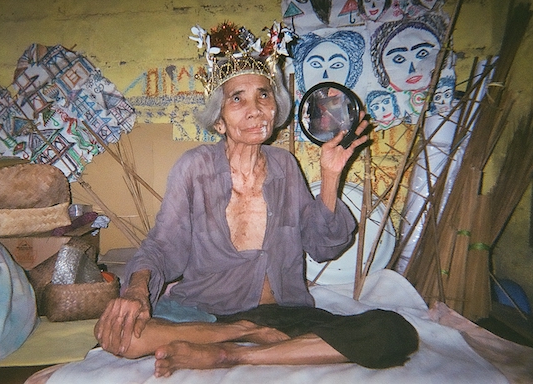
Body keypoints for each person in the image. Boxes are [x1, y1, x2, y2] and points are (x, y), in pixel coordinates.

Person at [94, 23, 419, 378]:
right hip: (206, 312)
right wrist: (138, 289)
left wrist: (330, 176)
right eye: (238, 99)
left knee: (392, 332)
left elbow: (323, 247)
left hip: (284, 312)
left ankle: (233, 355)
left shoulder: (284, 166)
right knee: (118, 338)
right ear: (219, 121)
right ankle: (245, 336)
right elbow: (163, 246)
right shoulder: (195, 167)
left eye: (264, 95)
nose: (255, 109)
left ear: (275, 108)